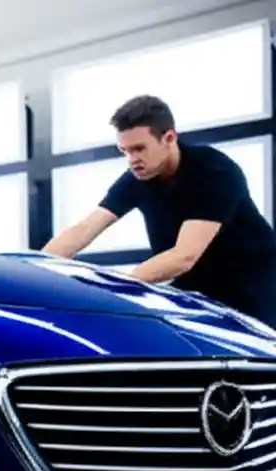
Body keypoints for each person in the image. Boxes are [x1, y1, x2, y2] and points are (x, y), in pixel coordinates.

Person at [43, 94, 276, 328]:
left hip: (252, 290)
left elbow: (184, 256)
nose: (132, 160)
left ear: (169, 137)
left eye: (139, 149)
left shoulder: (215, 172)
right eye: (125, 151)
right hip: (196, 287)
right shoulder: (138, 177)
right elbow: (86, 228)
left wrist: (114, 289)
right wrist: (37, 268)